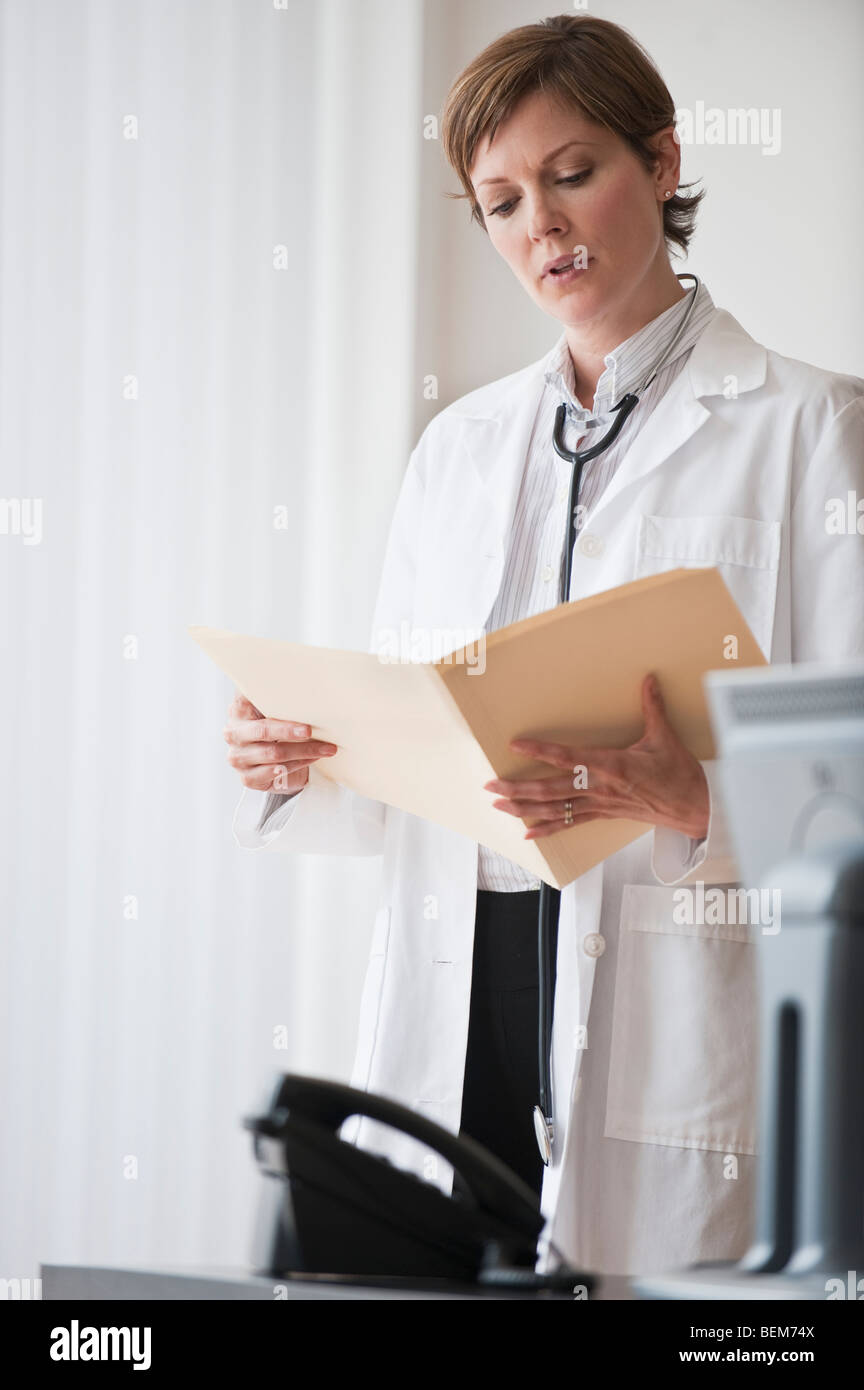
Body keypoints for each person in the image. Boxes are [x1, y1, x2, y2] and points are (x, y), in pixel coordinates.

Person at [223, 14, 864, 1276]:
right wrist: (304, 758)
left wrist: (706, 803)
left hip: (674, 981)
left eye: (573, 174)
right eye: (502, 200)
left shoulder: (812, 429)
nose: (541, 228)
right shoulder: (457, 449)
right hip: (462, 982)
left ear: (665, 160)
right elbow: (407, 752)